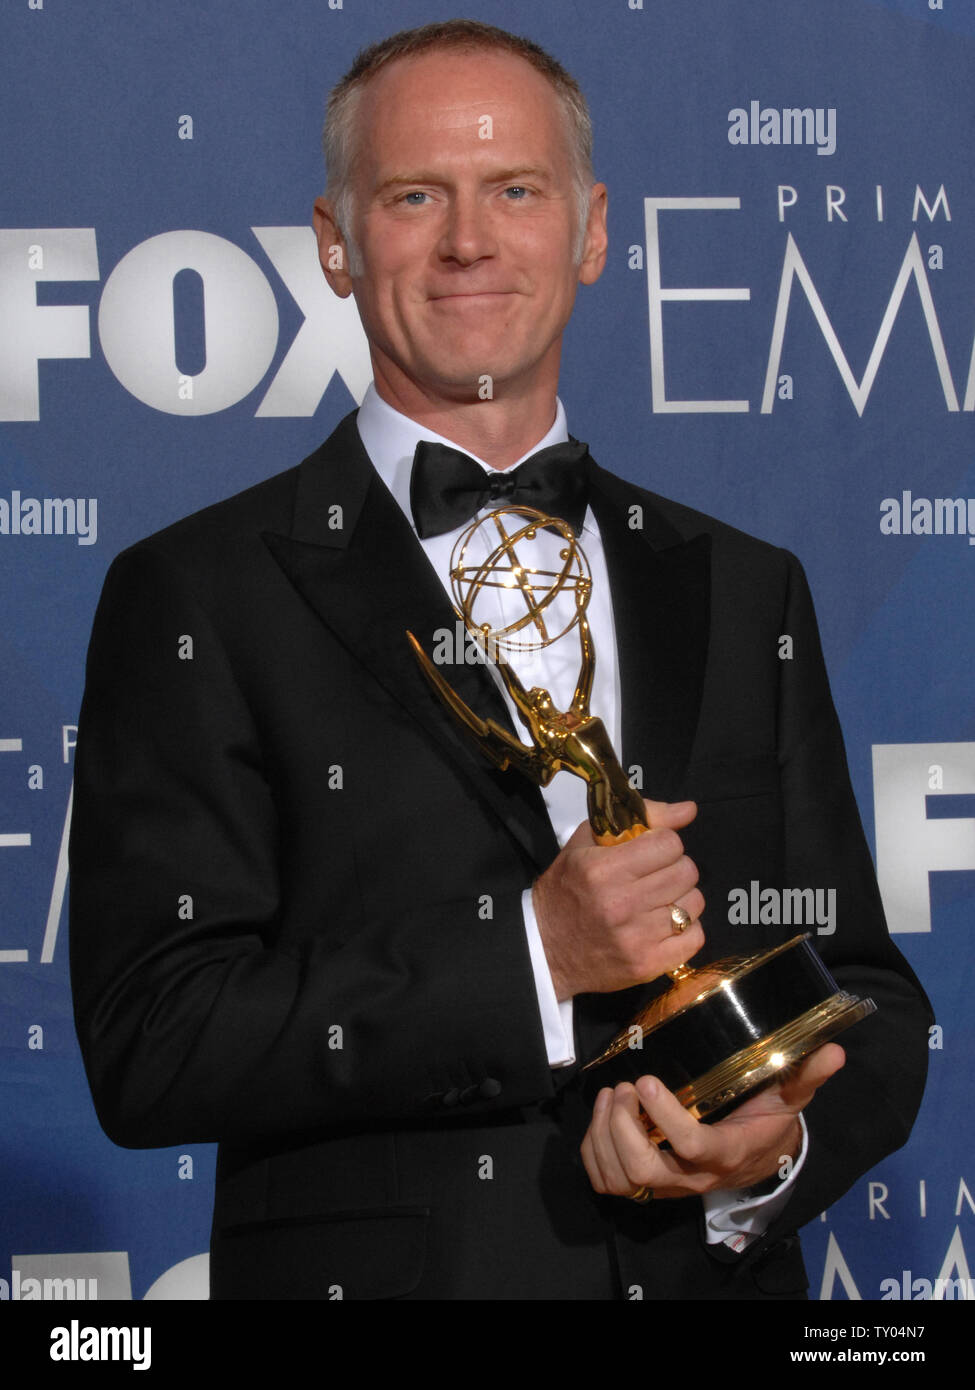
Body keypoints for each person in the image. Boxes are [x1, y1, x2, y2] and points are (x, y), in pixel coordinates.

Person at [69, 20, 930, 1300]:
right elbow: (156, 1040)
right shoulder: (196, 592)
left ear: (589, 230)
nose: (469, 240)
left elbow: (862, 987)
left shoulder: (746, 586)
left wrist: (770, 1145)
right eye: (416, 195)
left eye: (515, 191)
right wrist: (531, 955)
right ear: (335, 244)